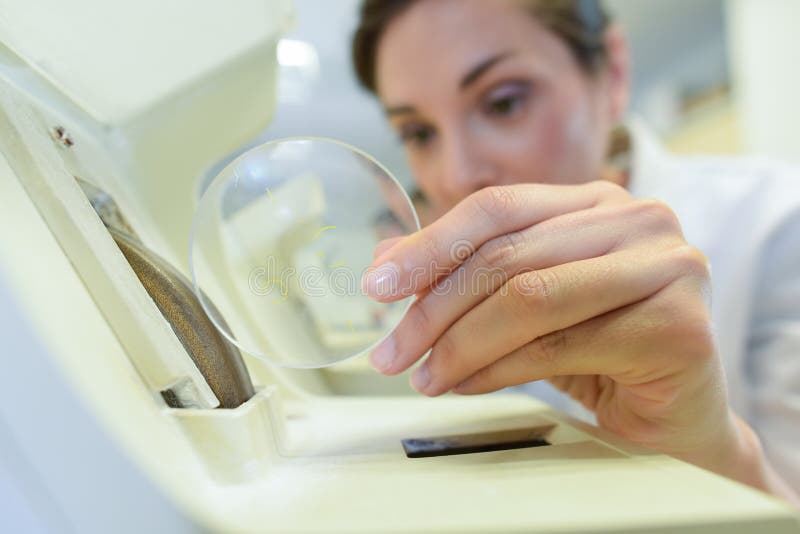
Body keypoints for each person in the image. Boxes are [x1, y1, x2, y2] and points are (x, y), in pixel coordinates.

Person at [352, 0, 800, 504]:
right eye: (419, 133)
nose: (455, 176)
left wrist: (707, 443)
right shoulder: (455, 284)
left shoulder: (777, 225)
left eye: (503, 102)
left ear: (612, 71)